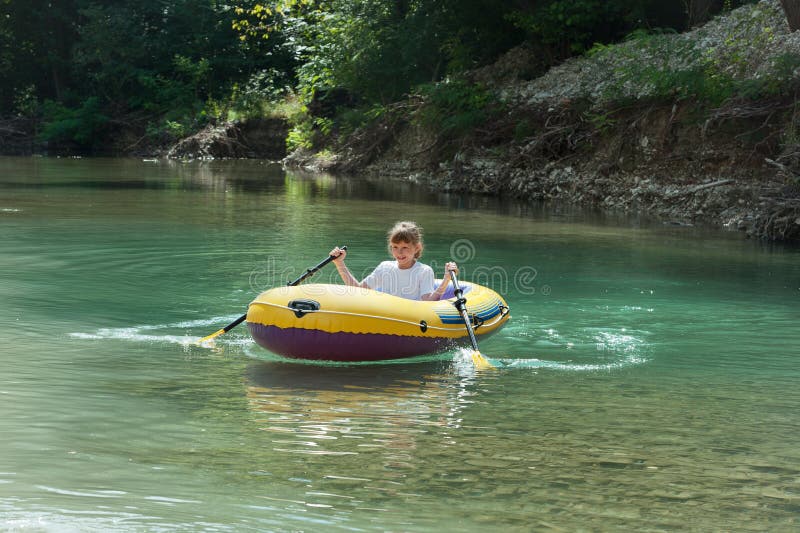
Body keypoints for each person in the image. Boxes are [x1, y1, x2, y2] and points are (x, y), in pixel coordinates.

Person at [330, 221, 458, 301]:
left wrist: (446, 280)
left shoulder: (423, 271)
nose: (399, 252)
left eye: (405, 248)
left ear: (417, 248)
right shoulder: (385, 267)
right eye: (395, 247)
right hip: (385, 318)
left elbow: (428, 302)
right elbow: (358, 289)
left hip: (411, 321)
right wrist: (340, 263)